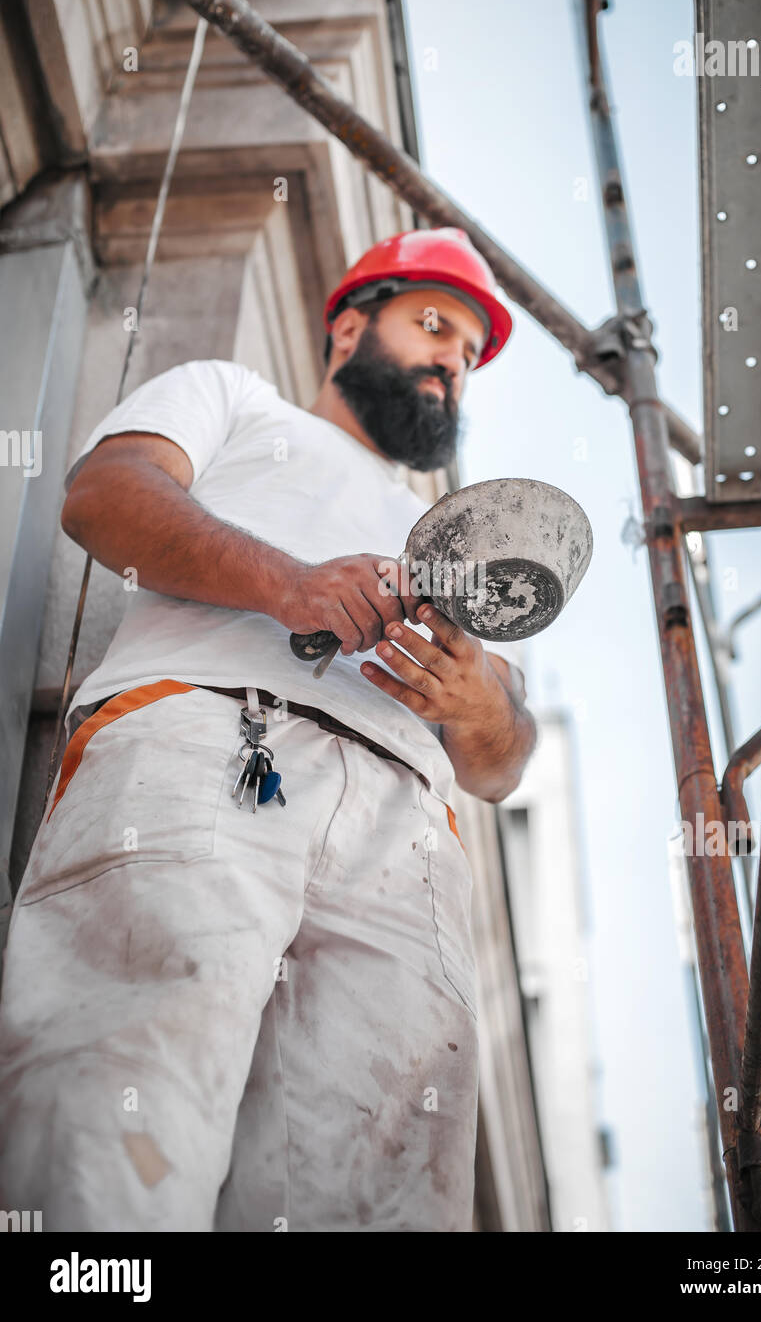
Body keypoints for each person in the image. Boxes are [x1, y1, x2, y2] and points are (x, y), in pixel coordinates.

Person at [0, 227, 536, 1232]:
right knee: (124, 1083)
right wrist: (289, 583)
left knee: (380, 1178)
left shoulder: (458, 545)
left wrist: (477, 701)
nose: (448, 366)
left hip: (406, 836)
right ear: (346, 325)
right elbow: (105, 497)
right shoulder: (236, 399)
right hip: (211, 741)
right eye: (433, 327)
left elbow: (503, 763)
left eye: (466, 356)